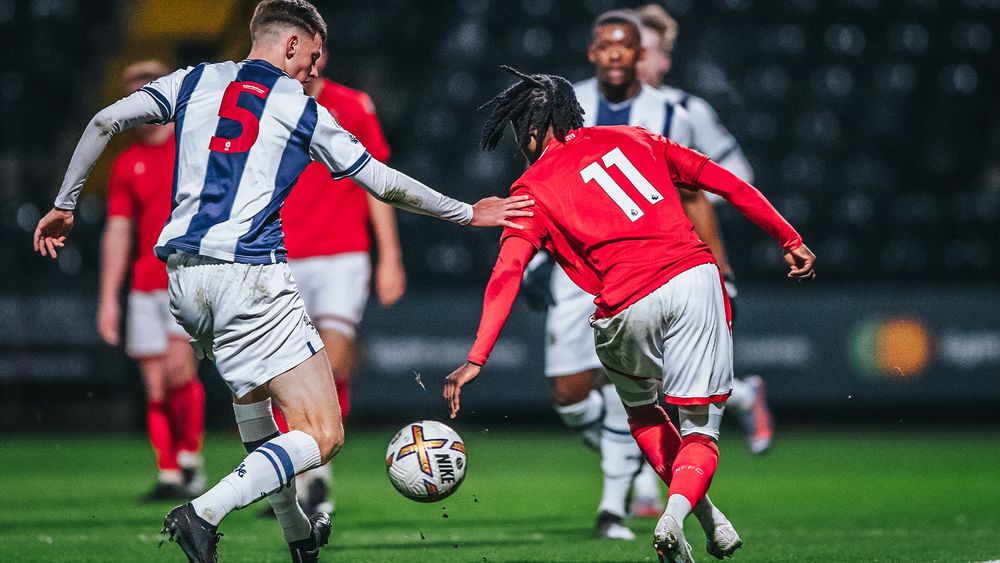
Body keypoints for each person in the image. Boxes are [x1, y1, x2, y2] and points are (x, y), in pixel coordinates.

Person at [33, 2, 532, 561]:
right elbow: (383, 182)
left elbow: (104, 121)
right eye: (313, 56)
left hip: (182, 284)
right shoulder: (298, 106)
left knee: (253, 406)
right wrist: (468, 213)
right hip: (248, 275)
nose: (314, 70)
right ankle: (203, 512)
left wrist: (64, 204)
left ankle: (298, 537)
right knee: (323, 435)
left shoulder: (194, 80)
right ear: (292, 44)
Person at [443, 67, 815, 562]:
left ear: (532, 131)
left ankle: (704, 519)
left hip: (622, 305)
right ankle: (679, 516)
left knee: (642, 413)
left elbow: (506, 274)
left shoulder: (528, 189)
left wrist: (476, 357)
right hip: (691, 280)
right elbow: (726, 184)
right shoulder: (635, 137)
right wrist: (788, 238)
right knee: (700, 431)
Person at [522, 9, 726, 538]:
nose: (615, 55)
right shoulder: (568, 102)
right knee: (568, 395)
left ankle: (618, 500)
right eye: (605, 46)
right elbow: (543, 180)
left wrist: (720, 269)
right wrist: (536, 256)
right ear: (592, 52)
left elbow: (693, 195)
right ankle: (640, 465)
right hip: (580, 266)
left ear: (643, 55)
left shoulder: (673, 111)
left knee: (633, 389)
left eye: (627, 46)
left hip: (653, 267)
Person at [272, 47, 405, 516]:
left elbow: (378, 181)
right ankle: (298, 474)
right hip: (278, 252)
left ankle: (318, 474)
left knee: (332, 361)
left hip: (343, 255)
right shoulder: (261, 104)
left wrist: (390, 256)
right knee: (283, 372)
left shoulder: (353, 106)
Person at [637, 3, 774, 455]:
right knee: (633, 367)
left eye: (646, 51)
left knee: (656, 371)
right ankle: (745, 395)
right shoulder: (597, 111)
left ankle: (636, 490)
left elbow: (739, 172)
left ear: (664, 60)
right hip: (620, 251)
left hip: (680, 253)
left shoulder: (686, 110)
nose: (635, 59)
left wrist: (679, 203)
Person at [97, 60, 207, 501]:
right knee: (155, 383)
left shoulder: (194, 146)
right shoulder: (126, 164)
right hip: (144, 284)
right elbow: (119, 230)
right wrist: (108, 297)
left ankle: (190, 463)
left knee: (180, 371)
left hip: (186, 278)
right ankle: (168, 471)